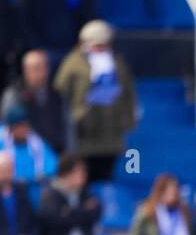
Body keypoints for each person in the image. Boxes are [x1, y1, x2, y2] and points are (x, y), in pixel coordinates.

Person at [53, 20, 138, 183]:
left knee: (106, 176)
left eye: (103, 45)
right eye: (96, 45)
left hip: (111, 134)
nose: (100, 49)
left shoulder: (117, 63)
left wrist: (127, 121)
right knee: (84, 177)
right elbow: (60, 94)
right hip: (83, 134)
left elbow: (128, 93)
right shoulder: (72, 63)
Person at [0, 50, 67, 155]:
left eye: (43, 67)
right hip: (26, 155)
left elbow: (67, 125)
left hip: (56, 153)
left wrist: (70, 153)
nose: (40, 73)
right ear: (25, 71)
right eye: (35, 69)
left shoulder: (57, 94)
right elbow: (5, 127)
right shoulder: (15, 94)